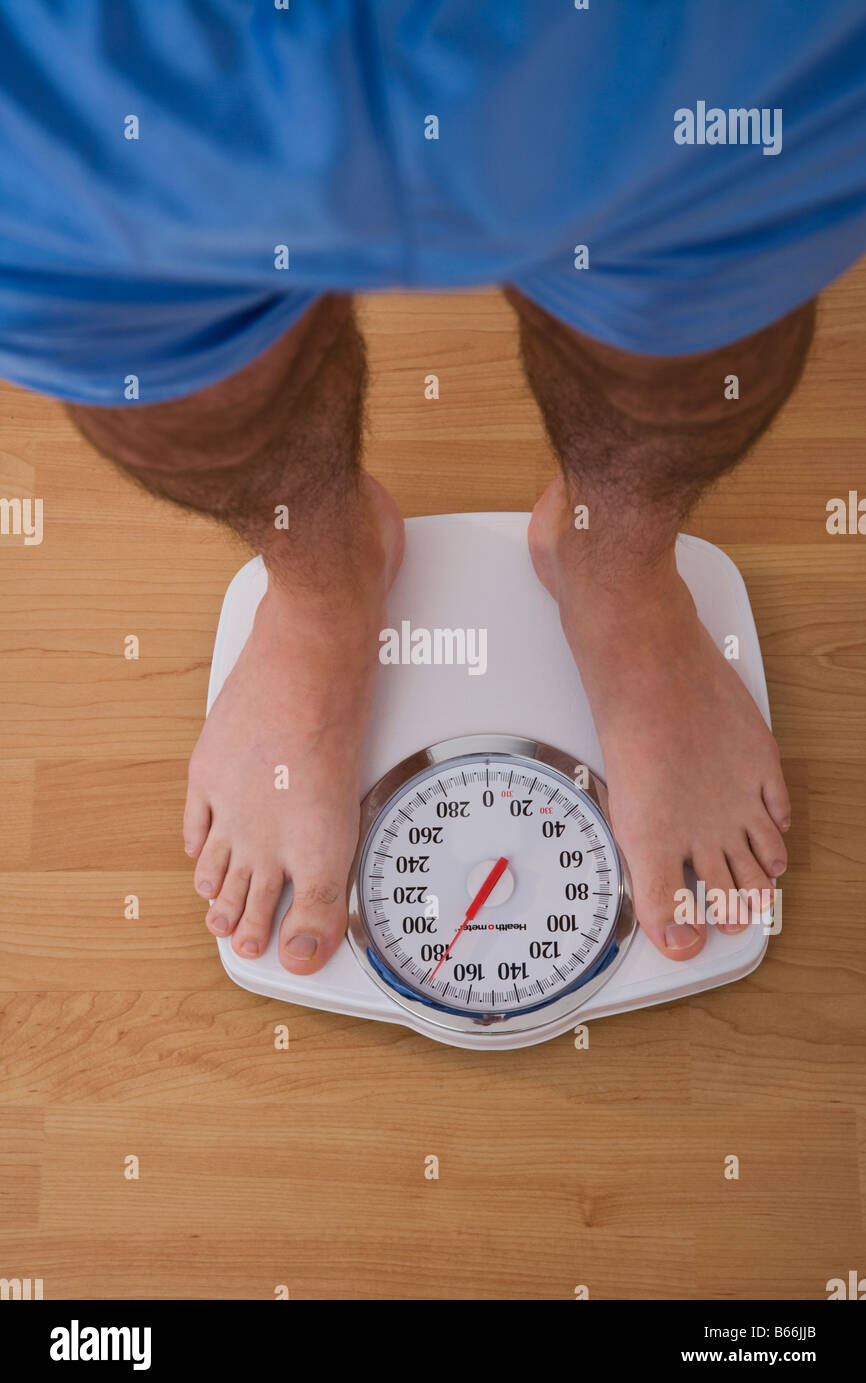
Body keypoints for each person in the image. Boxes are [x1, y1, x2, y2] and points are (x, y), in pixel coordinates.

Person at [2, 4, 864, 973]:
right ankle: (322, 591)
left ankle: (616, 567)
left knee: (692, 331)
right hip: (93, 61)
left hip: (662, 41)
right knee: (178, 380)